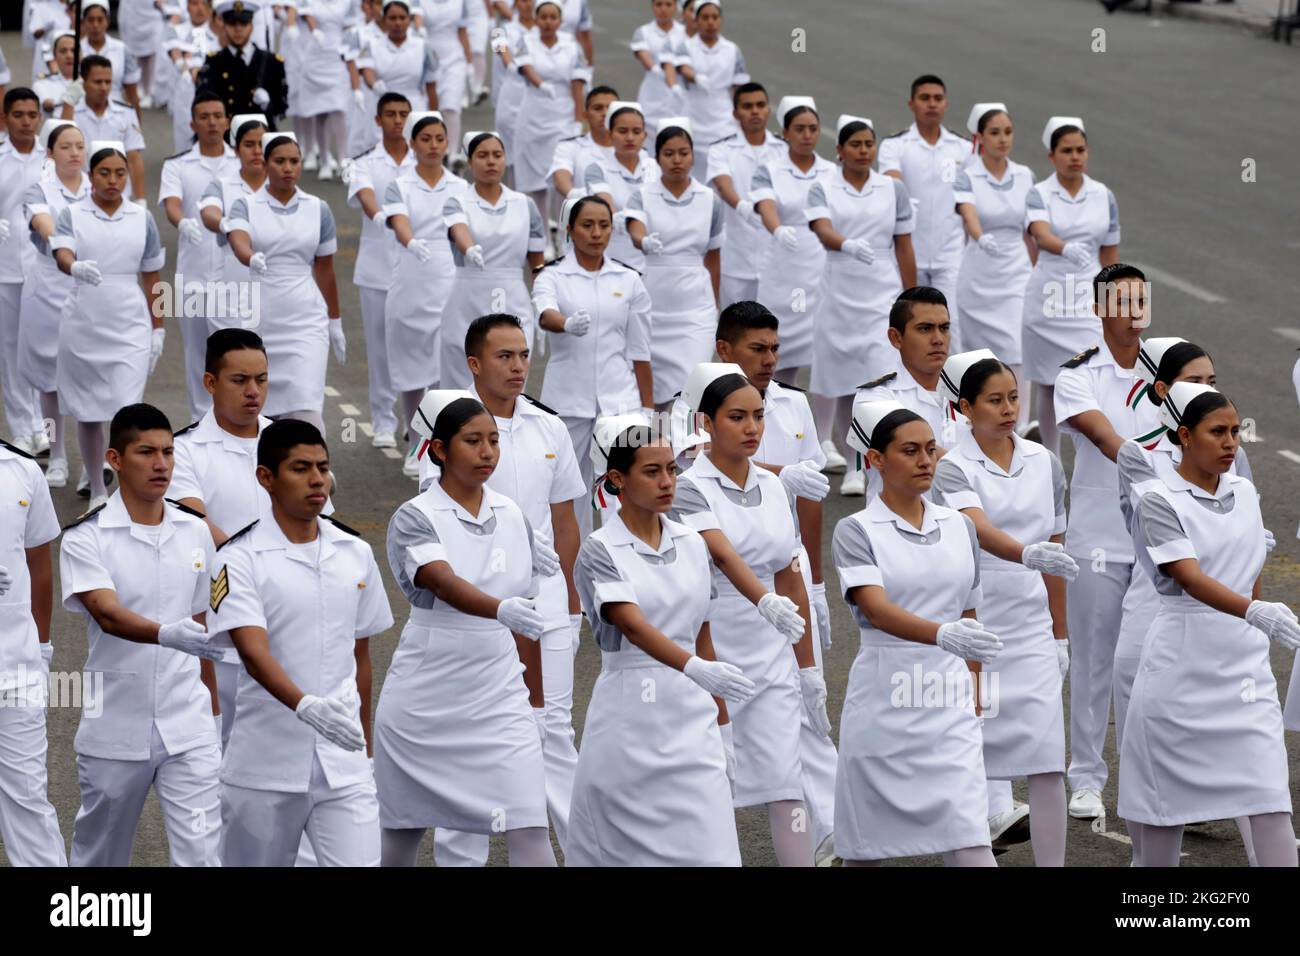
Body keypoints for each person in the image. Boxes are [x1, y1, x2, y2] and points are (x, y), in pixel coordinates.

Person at [416, 314, 586, 865]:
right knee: (474, 732)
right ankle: (460, 857)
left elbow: (565, 520)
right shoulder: (443, 422)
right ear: (474, 364)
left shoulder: (549, 426)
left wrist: (574, 604)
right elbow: (437, 511)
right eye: (503, 357)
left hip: (545, 598)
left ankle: (582, 851)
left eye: (523, 356)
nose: (518, 367)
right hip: (478, 599)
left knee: (550, 729)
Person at [374, 389, 558, 867]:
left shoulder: (514, 515)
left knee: (529, 823)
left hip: (499, 695)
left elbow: (528, 620)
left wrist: (535, 706)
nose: (487, 452)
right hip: (426, 699)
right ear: (438, 449)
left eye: (494, 441)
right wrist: (501, 609)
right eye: (473, 441)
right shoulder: (415, 517)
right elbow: (444, 582)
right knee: (401, 830)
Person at [1118, 384, 1298, 868]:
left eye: (1236, 432)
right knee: (1164, 816)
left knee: (1271, 802)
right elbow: (1187, 576)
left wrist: (1256, 615)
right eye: (1217, 432)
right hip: (1181, 670)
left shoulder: (1244, 490)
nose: (1230, 443)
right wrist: (1253, 612)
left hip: (1244, 675)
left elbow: (1251, 566)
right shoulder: (1156, 498)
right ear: (1183, 435)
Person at [568, 416, 752, 865]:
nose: (668, 481)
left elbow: (702, 635)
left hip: (694, 723)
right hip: (629, 722)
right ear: (617, 479)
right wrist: (694, 668)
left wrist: (723, 726)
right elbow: (631, 624)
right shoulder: (600, 549)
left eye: (672, 469)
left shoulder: (692, 543)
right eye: (652, 472)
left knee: (712, 852)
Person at [209, 419, 394, 866]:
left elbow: (361, 658)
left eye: (323, 466)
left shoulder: (355, 553)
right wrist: (303, 704)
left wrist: (365, 750)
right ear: (266, 478)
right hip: (265, 765)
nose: (317, 479)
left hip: (343, 766)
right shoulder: (237, 559)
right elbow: (252, 653)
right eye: (300, 468)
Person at [831, 399, 1003, 866]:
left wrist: (978, 697)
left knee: (970, 840)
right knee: (866, 850)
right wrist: (943, 634)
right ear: (875, 460)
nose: (926, 460)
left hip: (949, 705)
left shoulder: (961, 526)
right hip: (884, 701)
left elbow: (971, 618)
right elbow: (877, 610)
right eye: (910, 450)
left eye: (930, 449)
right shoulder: (855, 530)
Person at [671, 362, 826, 867]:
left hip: (772, 652)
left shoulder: (776, 487)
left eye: (758, 416)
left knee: (787, 787)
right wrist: (763, 601)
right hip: (707, 652)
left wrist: (807, 670)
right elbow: (720, 555)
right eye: (737, 417)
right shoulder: (688, 488)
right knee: (708, 792)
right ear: (705, 424)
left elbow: (789, 574)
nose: (753, 427)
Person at [58, 403, 226, 866]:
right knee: (101, 857)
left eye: (169, 453)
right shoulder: (87, 537)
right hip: (115, 727)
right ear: (114, 459)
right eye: (146, 452)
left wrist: (213, 716)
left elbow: (204, 631)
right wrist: (167, 634)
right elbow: (107, 614)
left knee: (204, 853)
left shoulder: (196, 533)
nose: (161, 464)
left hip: (188, 726)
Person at [708, 301, 840, 863]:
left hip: (778, 605)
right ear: (724, 350)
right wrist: (781, 473)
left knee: (790, 767)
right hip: (714, 620)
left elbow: (802, 513)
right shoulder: (691, 406)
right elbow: (689, 471)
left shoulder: (793, 405)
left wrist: (809, 585)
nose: (769, 359)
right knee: (708, 782)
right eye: (756, 349)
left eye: (774, 349)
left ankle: (829, 833)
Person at [934, 351, 1075, 867]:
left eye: (1014, 397)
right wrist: (1024, 552)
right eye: (994, 400)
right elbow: (975, 525)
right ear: (965, 408)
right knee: (971, 754)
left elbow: (1056, 554)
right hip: (978, 624)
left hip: (1032, 626)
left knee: (1046, 764)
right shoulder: (950, 467)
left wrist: (1059, 634)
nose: (1009, 408)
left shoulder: (1044, 461)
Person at [1052, 262, 1160, 820]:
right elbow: (1099, 432)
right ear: (1099, 309)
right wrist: (1145, 458)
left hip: (1160, 540)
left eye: (1141, 299)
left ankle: (1155, 776)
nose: (1133, 310)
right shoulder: (1080, 373)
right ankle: (1087, 776)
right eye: (1121, 301)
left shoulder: (1165, 368)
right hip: (1097, 537)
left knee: (1147, 662)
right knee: (1095, 660)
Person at [168, 329, 274, 749]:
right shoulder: (186, 450)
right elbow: (198, 522)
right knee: (224, 751)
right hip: (222, 618)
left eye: (262, 380)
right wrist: (265, 566)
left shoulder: (287, 442)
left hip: (287, 613)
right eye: (240, 381)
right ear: (210, 382)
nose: (253, 392)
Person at [52, 140, 167, 508]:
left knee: (125, 409)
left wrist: (158, 326)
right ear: (90, 176)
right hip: (84, 321)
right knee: (88, 411)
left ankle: (125, 491)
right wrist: (74, 266)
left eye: (120, 172)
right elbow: (62, 252)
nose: (113, 180)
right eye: (104, 172)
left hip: (129, 323)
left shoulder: (141, 218)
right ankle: (99, 492)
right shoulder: (74, 214)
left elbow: (152, 275)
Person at [808, 114, 917, 486]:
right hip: (839, 293)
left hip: (881, 296)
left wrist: (912, 296)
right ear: (839, 151)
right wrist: (846, 243)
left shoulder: (893, 190)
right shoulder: (823, 186)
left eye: (868, 144)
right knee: (841, 382)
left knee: (875, 382)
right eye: (855, 144)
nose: (863, 150)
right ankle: (846, 457)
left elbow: (904, 244)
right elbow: (822, 229)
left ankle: (866, 466)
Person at [533, 194, 653, 529]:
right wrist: (565, 324)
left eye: (604, 225)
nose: (596, 233)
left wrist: (648, 408)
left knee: (625, 490)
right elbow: (545, 313)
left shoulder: (629, 279)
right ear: (570, 229)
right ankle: (577, 572)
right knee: (570, 492)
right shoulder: (552, 275)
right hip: (568, 399)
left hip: (620, 399)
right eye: (587, 225)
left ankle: (624, 568)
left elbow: (640, 350)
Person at [225, 130, 347, 431]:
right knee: (266, 410)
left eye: (294, 161)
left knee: (306, 399)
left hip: (306, 317)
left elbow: (325, 268)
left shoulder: (318, 209)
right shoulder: (246, 205)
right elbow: (238, 239)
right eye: (280, 161)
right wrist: (250, 256)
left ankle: (315, 469)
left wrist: (334, 320)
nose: (288, 168)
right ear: (265, 164)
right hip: (261, 315)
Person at [1022, 117, 1120, 454]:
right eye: (1066, 151)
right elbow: (1040, 233)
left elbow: (1109, 251)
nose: (1074, 157)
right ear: (1052, 156)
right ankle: (1050, 459)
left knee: (1091, 378)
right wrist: (1063, 248)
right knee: (1049, 383)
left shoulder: (1103, 195)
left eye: (1080, 150)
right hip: (1048, 298)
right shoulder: (1038, 193)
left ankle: (1091, 452)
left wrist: (1111, 300)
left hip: (1087, 301)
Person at [0, 432, 67, 866]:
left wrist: (42, 648)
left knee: (28, 797)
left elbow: (39, 563)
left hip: (16, 668)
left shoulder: (22, 470)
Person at [625, 121, 724, 408]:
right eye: (669, 154)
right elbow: (635, 228)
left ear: (693, 156)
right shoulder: (642, 194)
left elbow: (713, 257)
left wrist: (714, 307)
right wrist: (643, 242)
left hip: (696, 308)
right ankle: (658, 448)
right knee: (652, 388)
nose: (677, 160)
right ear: (657, 159)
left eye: (683, 153)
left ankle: (687, 449)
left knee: (691, 386)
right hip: (654, 305)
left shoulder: (710, 199)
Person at [440, 131, 546, 390]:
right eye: (482, 155)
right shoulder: (458, 201)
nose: (491, 162)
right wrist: (469, 249)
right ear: (469, 161)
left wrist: (543, 303)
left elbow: (537, 263)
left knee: (510, 383)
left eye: (497, 155)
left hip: (513, 298)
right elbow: (458, 229)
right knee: (463, 386)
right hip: (467, 299)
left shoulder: (525, 204)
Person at [953, 103, 1035, 431]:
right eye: (995, 133)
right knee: (981, 355)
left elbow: (1033, 227)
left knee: (1017, 346)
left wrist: (1037, 266)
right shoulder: (967, 175)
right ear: (980, 138)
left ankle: (1021, 421)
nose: (1003, 139)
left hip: (1016, 272)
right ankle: (978, 419)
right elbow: (968, 213)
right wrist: (979, 236)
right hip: (979, 273)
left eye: (1008, 132)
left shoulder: (1025, 175)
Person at [750, 97, 834, 413]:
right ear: (785, 132)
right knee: (779, 349)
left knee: (822, 352)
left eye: (813, 128)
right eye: (799, 128)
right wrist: (778, 229)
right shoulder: (769, 171)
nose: (807, 135)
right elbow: (766, 206)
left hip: (820, 263)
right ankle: (775, 417)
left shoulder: (830, 171)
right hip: (783, 267)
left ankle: (818, 433)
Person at [159, 91, 238, 420]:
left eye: (217, 116)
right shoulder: (178, 165)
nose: (211, 122)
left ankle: (232, 419)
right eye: (204, 117)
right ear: (192, 123)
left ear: (228, 121)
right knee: (197, 353)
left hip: (236, 276)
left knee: (234, 354)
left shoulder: (243, 163)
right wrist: (183, 221)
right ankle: (199, 420)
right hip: (193, 276)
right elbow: (171, 203)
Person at [19, 118, 87, 490]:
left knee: (86, 374)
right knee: (49, 381)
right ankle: (57, 454)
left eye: (79, 145)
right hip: (48, 287)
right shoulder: (38, 189)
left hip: (88, 288)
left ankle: (92, 462)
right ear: (50, 153)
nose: (74, 153)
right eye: (65, 146)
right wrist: (66, 245)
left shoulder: (98, 186)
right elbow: (44, 224)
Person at [877, 75, 968, 343]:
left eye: (938, 99)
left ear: (946, 104)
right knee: (909, 326)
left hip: (950, 254)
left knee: (950, 329)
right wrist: (904, 197)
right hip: (908, 251)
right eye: (924, 98)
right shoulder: (896, 145)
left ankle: (951, 386)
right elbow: (893, 182)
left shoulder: (963, 148)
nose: (931, 104)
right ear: (911, 103)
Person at [347, 92, 415, 453]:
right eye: (390, 114)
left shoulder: (423, 160)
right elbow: (364, 195)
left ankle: (413, 419)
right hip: (376, 269)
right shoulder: (363, 161)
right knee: (381, 351)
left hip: (417, 271)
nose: (398, 120)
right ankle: (383, 420)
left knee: (416, 347)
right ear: (378, 120)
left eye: (404, 114)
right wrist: (381, 216)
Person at [851, 287, 959, 500]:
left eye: (944, 328)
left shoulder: (970, 391)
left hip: (966, 528)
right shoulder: (871, 399)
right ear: (895, 338)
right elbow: (911, 448)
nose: (938, 339)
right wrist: (984, 470)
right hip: (894, 529)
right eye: (925, 329)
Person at [0, 89, 49, 460]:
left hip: (43, 265)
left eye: (32, 114)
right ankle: (20, 429)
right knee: (11, 350)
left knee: (40, 350)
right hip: (4, 265)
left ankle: (42, 426)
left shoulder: (50, 158)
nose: (26, 121)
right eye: (18, 114)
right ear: (6, 117)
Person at [511, 0, 590, 223]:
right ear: (534, 18)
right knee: (534, 177)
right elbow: (509, 56)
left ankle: (561, 229)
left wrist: (578, 119)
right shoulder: (505, 29)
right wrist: (540, 84)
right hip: (529, 108)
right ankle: (542, 234)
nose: (547, 22)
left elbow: (578, 85)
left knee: (561, 176)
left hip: (561, 116)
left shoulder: (571, 44)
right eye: (542, 16)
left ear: (560, 20)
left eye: (552, 17)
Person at [706, 81, 782, 309]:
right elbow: (722, 183)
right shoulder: (721, 149)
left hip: (775, 256)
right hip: (736, 256)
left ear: (768, 109)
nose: (755, 111)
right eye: (748, 106)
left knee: (775, 327)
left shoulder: (783, 149)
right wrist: (741, 205)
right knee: (737, 323)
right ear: (735, 113)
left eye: (760, 105)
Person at [668, 0, 748, 181]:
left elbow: (738, 85)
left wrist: (741, 114)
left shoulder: (732, 49)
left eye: (715, 17)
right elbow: (683, 67)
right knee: (694, 170)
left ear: (721, 20)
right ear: (696, 20)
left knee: (724, 169)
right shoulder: (686, 46)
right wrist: (695, 77)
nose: (710, 22)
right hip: (694, 113)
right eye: (705, 17)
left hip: (723, 116)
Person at [199, 112, 266, 301]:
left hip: (274, 285)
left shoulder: (284, 189)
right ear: (236, 150)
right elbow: (209, 212)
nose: (257, 151)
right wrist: (223, 223)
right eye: (249, 144)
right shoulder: (221, 186)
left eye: (262, 144)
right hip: (231, 285)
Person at [63, 56, 147, 202]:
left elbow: (134, 159)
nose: (103, 88)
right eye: (97, 82)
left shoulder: (126, 113)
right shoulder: (70, 111)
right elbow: (61, 144)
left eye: (108, 82)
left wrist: (140, 199)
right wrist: (68, 104)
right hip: (78, 195)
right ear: (83, 82)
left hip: (117, 195)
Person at [584, 100, 656, 272]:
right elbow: (606, 202)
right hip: (613, 256)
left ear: (644, 136)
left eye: (636, 131)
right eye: (622, 131)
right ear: (610, 135)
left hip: (653, 253)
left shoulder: (654, 167)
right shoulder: (598, 169)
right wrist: (615, 217)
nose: (630, 138)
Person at [285, 0, 352, 180]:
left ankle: (344, 163)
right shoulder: (311, 2)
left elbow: (350, 24)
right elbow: (308, 16)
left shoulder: (346, 3)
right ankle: (324, 162)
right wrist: (315, 31)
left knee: (339, 110)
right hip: (316, 55)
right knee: (319, 113)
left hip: (338, 56)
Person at [196, 0, 289, 129]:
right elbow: (203, 100)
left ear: (251, 26)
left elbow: (282, 106)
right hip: (227, 135)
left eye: (243, 23)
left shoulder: (271, 62)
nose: (238, 29)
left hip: (261, 135)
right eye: (232, 23)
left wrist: (269, 104)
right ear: (224, 26)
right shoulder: (214, 62)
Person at [411, 0, 474, 167]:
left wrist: (469, 63)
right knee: (432, 108)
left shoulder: (460, 3)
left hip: (454, 58)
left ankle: (453, 153)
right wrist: (420, 29)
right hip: (429, 57)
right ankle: (433, 150)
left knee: (451, 107)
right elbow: (417, 19)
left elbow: (463, 32)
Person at [358, 1, 440, 113]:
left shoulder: (423, 46)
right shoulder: (371, 45)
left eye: (402, 18)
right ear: (384, 19)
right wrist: (374, 84)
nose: (398, 23)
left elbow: (431, 87)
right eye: (392, 18)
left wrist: (434, 115)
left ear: (409, 19)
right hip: (384, 105)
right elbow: (368, 73)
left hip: (415, 107)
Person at [547, 83, 617, 206]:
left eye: (610, 108)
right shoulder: (569, 147)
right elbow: (561, 178)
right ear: (585, 115)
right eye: (598, 108)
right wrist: (576, 196)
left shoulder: (637, 152)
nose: (605, 113)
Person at [77, 0, 143, 113]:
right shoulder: (75, 50)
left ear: (107, 21)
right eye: (91, 20)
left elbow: (132, 94)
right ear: (83, 23)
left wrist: (136, 126)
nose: (95, 25)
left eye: (100, 20)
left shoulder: (122, 49)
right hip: (82, 113)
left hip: (116, 113)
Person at [629, 0, 684, 130]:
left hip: (679, 93)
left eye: (668, 4)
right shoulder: (643, 32)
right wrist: (657, 70)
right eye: (659, 4)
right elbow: (644, 56)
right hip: (652, 95)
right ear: (652, 7)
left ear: (676, 6)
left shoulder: (684, 33)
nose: (663, 9)